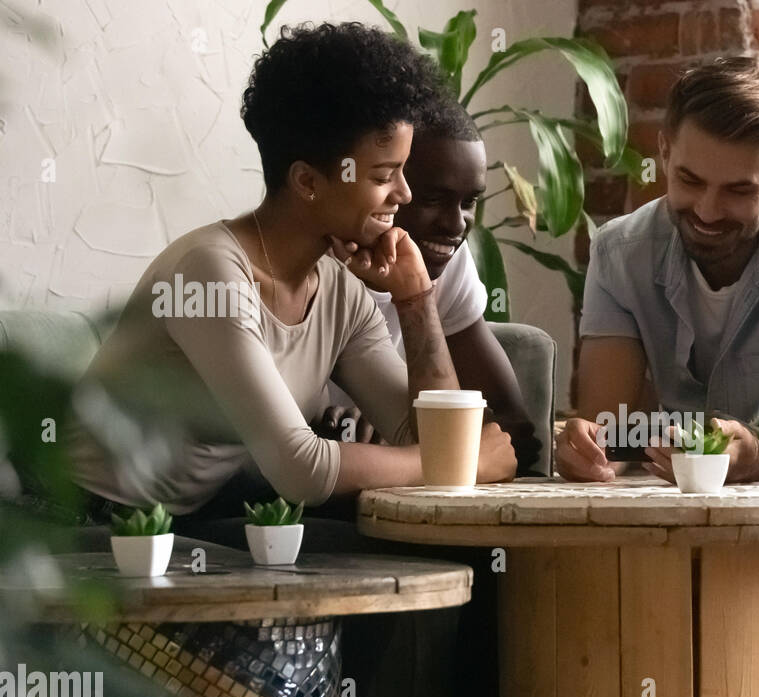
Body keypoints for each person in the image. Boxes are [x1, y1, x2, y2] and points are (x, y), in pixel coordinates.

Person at [58, 22, 515, 529]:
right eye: (384, 176)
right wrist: (461, 463)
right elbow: (302, 470)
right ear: (307, 182)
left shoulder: (339, 290)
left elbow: (421, 435)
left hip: (188, 523)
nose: (403, 194)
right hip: (86, 529)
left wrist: (415, 297)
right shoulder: (208, 275)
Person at [556, 56, 759, 483]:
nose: (707, 211)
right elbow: (611, 431)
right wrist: (591, 451)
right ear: (664, 152)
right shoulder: (619, 253)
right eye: (690, 180)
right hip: (675, 505)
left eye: (738, 190)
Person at [319, 91, 543, 476]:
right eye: (433, 199)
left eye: (469, 202)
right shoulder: (310, 268)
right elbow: (291, 451)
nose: (456, 226)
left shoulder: (442, 259)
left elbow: (516, 434)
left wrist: (402, 449)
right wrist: (414, 451)